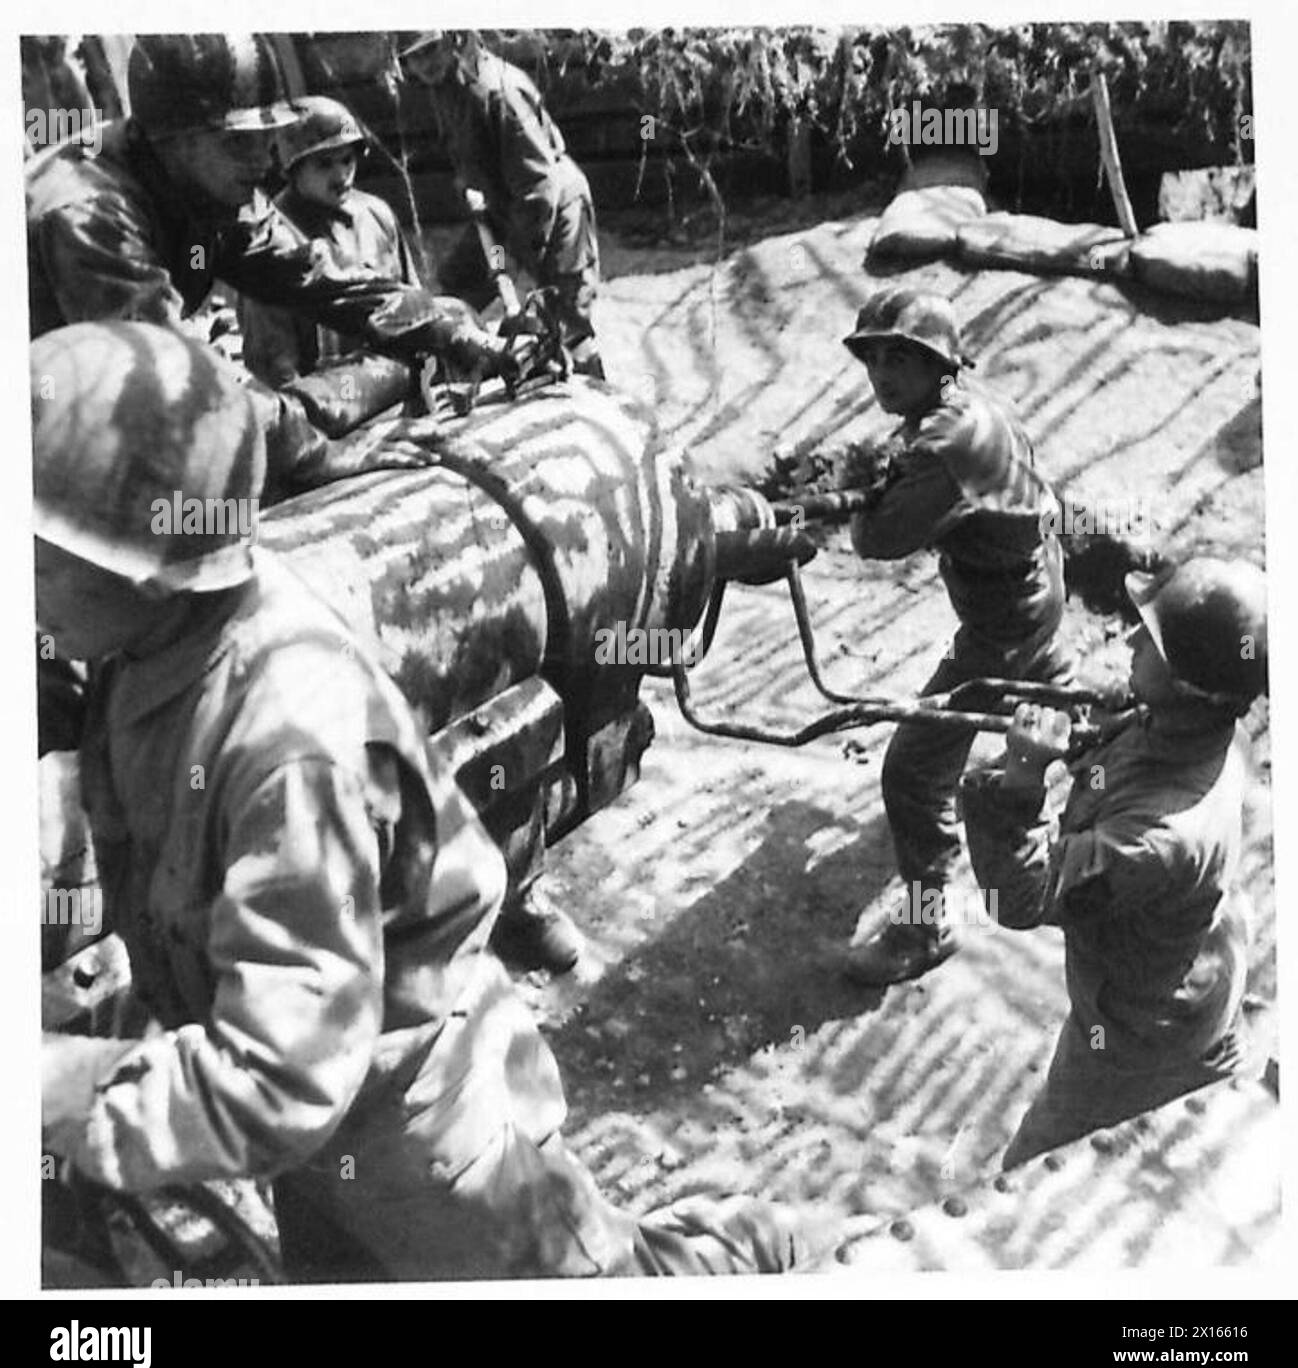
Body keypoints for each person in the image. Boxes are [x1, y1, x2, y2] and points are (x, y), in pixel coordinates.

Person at [36, 321, 810, 1282]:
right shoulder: (152, 644)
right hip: (322, 1106)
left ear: (146, 558)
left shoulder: (282, 736)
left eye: (40, 552)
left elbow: (283, 1081)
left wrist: (51, 1088)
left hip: (412, 1121)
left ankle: (744, 1252)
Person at [958, 556, 1267, 1168]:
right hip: (1195, 958)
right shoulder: (1209, 727)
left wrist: (1018, 786)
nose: (1127, 638)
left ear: (1191, 685)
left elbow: (1020, 898)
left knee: (1028, 1171)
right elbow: (1133, 761)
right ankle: (1210, 1068)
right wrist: (1105, 726)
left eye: (1148, 643)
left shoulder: (1160, 837)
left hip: (1137, 1032)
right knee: (1205, 1055)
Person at [26, 33, 513, 380]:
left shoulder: (210, 187)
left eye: (267, 140)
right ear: (171, 139)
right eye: (240, 143)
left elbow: (322, 278)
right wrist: (323, 438)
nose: (265, 164)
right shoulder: (89, 213)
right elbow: (179, 391)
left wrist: (449, 331)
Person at [839, 287, 1072, 987]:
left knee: (910, 773)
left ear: (939, 365)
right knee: (1042, 681)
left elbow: (880, 541)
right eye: (873, 357)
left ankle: (928, 922)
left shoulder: (945, 441)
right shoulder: (969, 405)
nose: (882, 374)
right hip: (1036, 584)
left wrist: (859, 497)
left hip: (1002, 619)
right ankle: (1064, 722)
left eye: (901, 358)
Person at [399, 30, 605, 380]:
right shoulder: (445, 86)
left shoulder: (498, 91)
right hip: (500, 208)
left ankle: (600, 402)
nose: (424, 63)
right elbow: (471, 152)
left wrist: (511, 256)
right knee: (453, 291)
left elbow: (537, 186)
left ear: (455, 39)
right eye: (414, 57)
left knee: (565, 320)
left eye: (431, 49)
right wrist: (470, 185)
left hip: (553, 209)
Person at [238, 94, 422, 388]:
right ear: (293, 169)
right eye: (324, 165)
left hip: (393, 384)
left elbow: (413, 305)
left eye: (347, 160)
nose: (341, 176)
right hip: (322, 403)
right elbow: (273, 368)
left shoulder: (376, 215)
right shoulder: (271, 242)